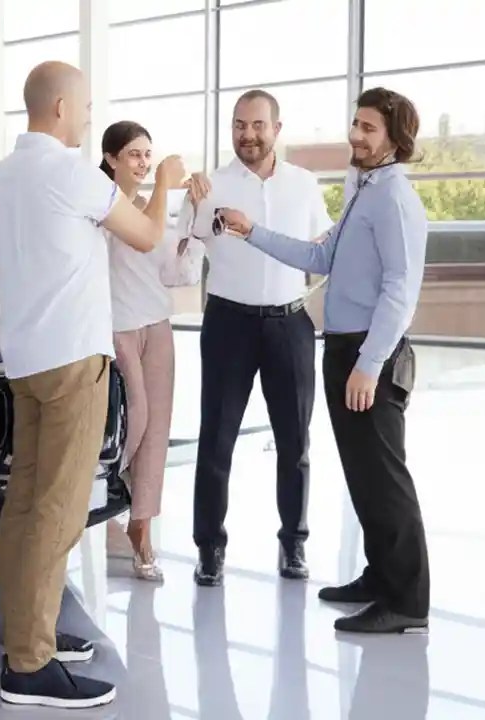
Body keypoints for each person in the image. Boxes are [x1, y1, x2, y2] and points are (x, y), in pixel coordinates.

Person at [0, 60, 185, 709]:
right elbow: (148, 235)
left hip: (25, 361)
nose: (90, 118)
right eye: (87, 107)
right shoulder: (71, 173)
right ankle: (29, 664)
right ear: (62, 107)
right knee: (60, 509)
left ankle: (26, 632)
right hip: (72, 362)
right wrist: (166, 182)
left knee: (24, 504)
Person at [217, 87, 430, 634]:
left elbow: (401, 291)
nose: (355, 135)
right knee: (363, 475)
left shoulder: (394, 198)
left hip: (367, 352)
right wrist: (250, 229)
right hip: (343, 347)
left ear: (395, 138)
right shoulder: (363, 189)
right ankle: (381, 577)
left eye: (369, 128)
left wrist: (369, 364)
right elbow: (319, 256)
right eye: (355, 124)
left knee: (385, 478)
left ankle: (407, 602)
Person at [180, 89, 333, 587]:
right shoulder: (210, 186)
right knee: (216, 440)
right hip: (229, 324)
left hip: (290, 324)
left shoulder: (303, 184)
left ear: (276, 129)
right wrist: (189, 208)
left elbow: (322, 246)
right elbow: (184, 252)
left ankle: (294, 543)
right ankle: (209, 548)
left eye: (257, 125)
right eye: (239, 125)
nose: (248, 135)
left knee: (295, 442)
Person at [99, 120, 205, 581]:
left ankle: (141, 527)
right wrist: (164, 186)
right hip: (118, 328)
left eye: (148, 154)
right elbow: (136, 236)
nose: (143, 163)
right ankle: (106, 496)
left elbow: (177, 273)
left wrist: (195, 222)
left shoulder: (153, 207)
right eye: (134, 154)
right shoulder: (102, 206)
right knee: (135, 421)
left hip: (157, 325)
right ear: (111, 159)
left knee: (157, 431)